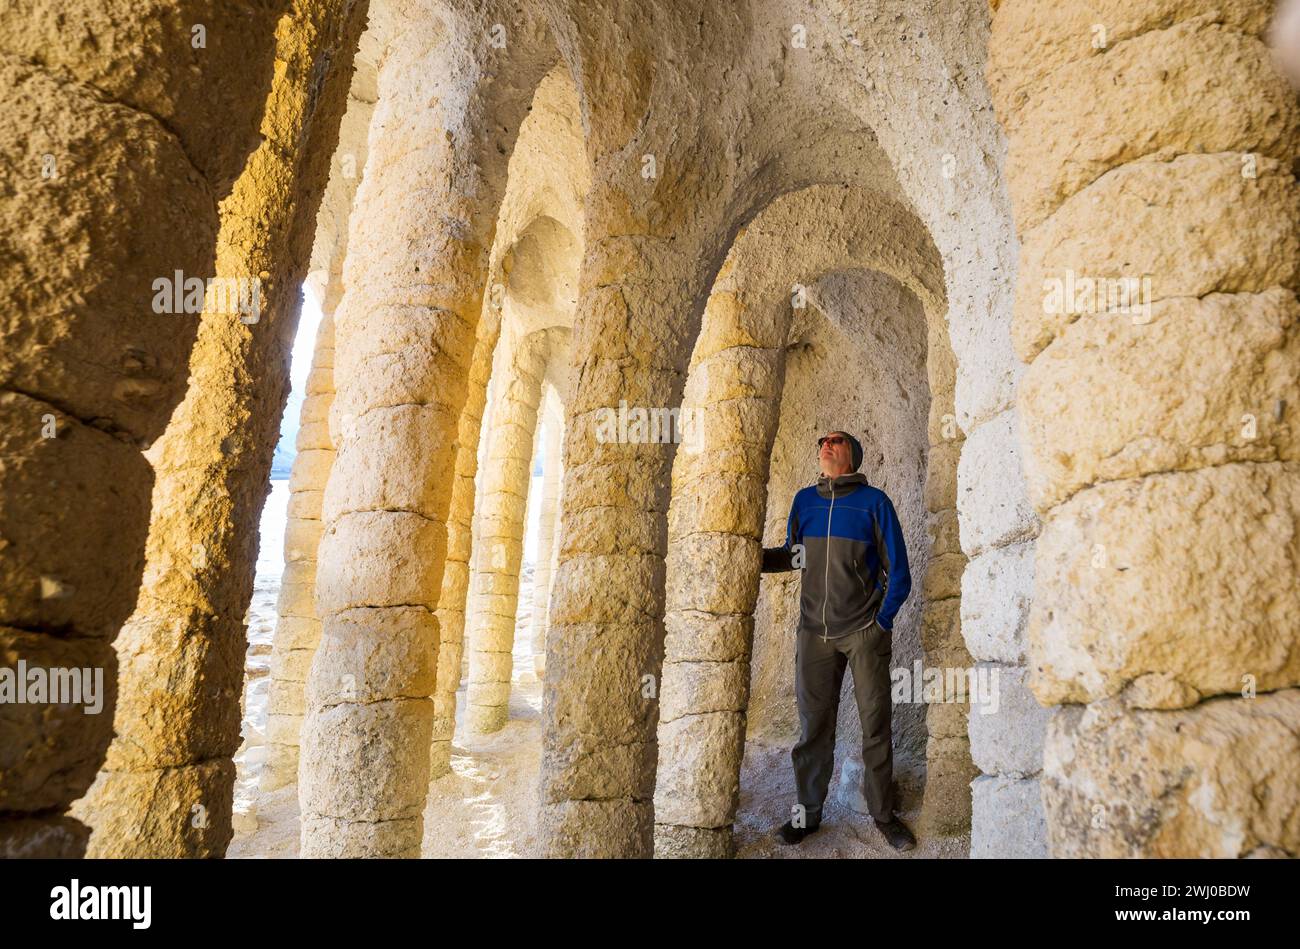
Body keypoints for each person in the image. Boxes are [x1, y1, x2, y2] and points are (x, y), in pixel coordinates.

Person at [761, 429, 916, 851]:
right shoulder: (804, 502)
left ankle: (884, 816)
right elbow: (796, 555)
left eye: (837, 441)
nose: (825, 445)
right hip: (814, 634)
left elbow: (899, 572)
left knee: (875, 727)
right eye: (822, 441)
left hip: (863, 633)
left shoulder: (875, 503)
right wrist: (752, 557)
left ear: (854, 455)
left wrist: (879, 624)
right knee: (813, 728)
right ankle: (806, 817)